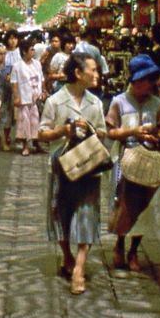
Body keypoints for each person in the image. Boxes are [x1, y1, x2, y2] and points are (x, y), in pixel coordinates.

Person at [38, 53, 107, 295]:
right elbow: (42, 133)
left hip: (89, 166)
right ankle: (67, 255)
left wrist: (89, 131)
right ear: (78, 73)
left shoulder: (96, 103)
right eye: (93, 70)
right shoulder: (55, 102)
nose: (97, 75)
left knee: (87, 212)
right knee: (61, 212)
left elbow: (102, 132)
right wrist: (64, 131)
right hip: (62, 166)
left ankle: (79, 267)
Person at [107, 54, 160, 272]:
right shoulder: (119, 102)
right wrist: (133, 132)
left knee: (145, 207)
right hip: (126, 158)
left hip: (149, 161)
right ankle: (120, 244)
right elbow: (110, 131)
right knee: (123, 205)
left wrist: (157, 137)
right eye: (144, 81)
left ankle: (134, 249)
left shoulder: (156, 104)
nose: (148, 85)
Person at [11, 36, 45, 156]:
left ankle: (36, 143)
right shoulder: (17, 66)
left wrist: (44, 91)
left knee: (36, 122)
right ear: (24, 51)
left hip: (35, 98)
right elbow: (14, 83)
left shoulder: (37, 64)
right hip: (24, 98)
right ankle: (25, 145)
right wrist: (16, 97)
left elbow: (42, 78)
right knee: (24, 122)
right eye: (31, 49)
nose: (33, 51)